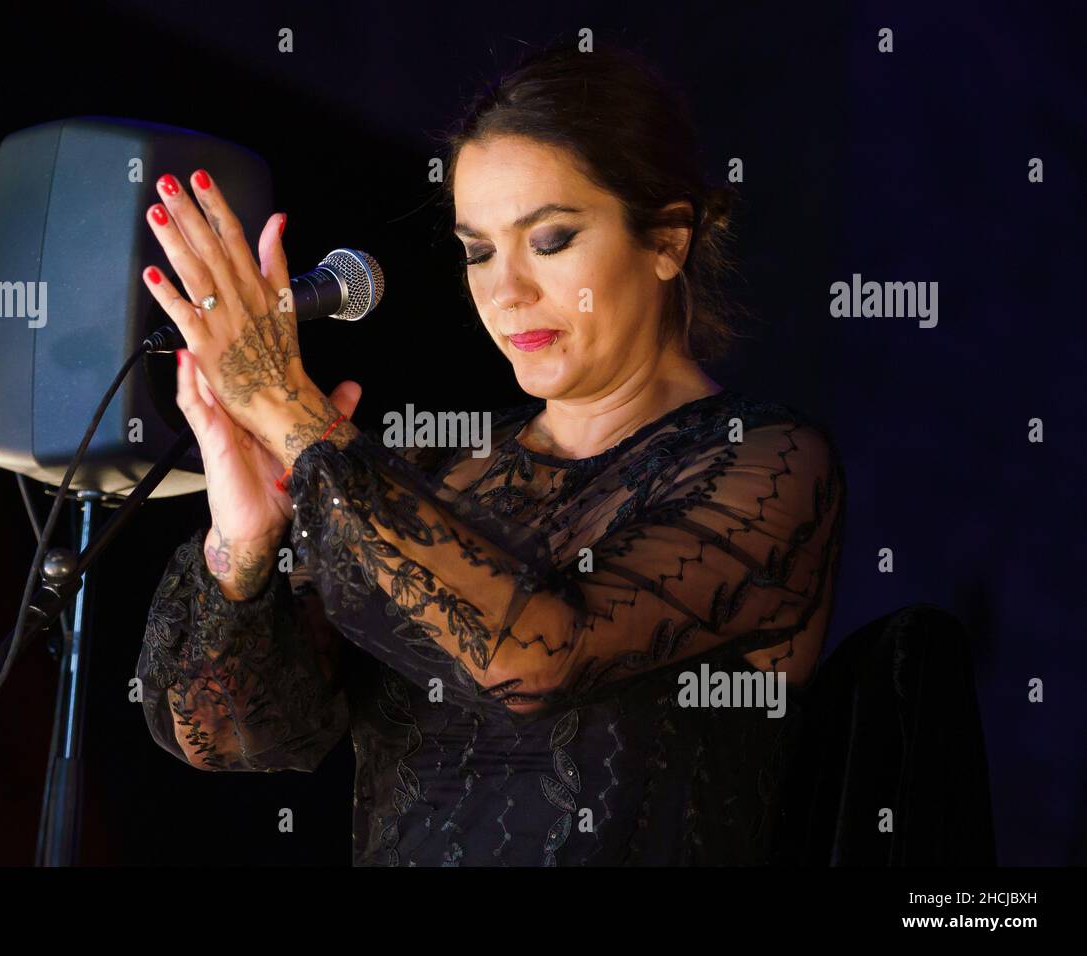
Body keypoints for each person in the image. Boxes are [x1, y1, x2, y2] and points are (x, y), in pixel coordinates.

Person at [135, 40, 846, 866]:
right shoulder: (432, 471)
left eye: (549, 241)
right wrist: (245, 546)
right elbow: (234, 737)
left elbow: (536, 653)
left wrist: (293, 412)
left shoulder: (767, 461)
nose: (505, 290)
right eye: (478, 250)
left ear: (667, 240)